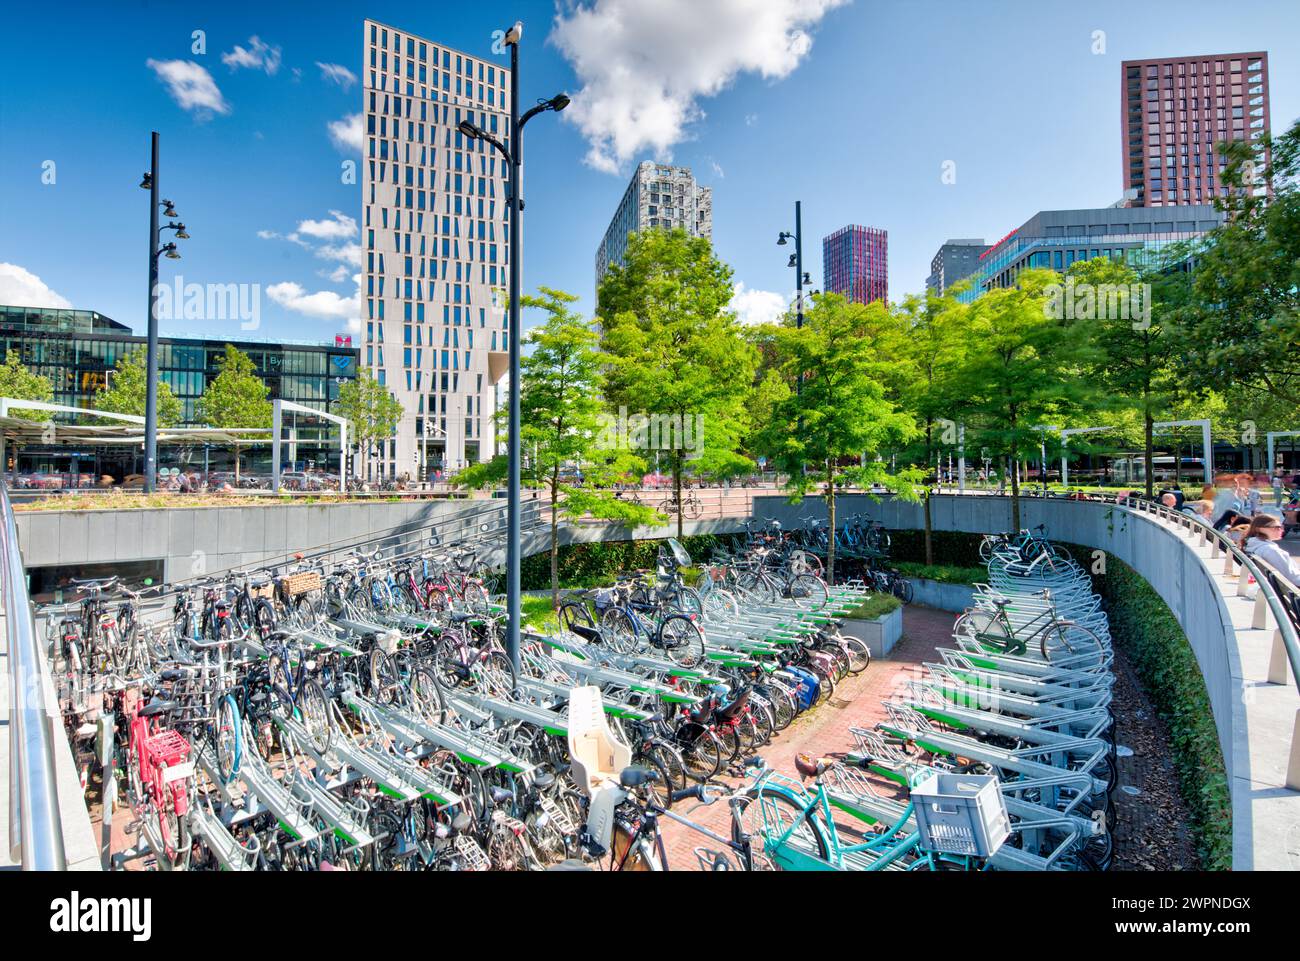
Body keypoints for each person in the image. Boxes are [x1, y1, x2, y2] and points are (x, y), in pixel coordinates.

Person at [1243, 515, 1300, 587]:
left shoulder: (1254, 545)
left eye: (1281, 527)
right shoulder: (1270, 550)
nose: (1282, 530)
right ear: (1259, 529)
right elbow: (1292, 578)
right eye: (1276, 528)